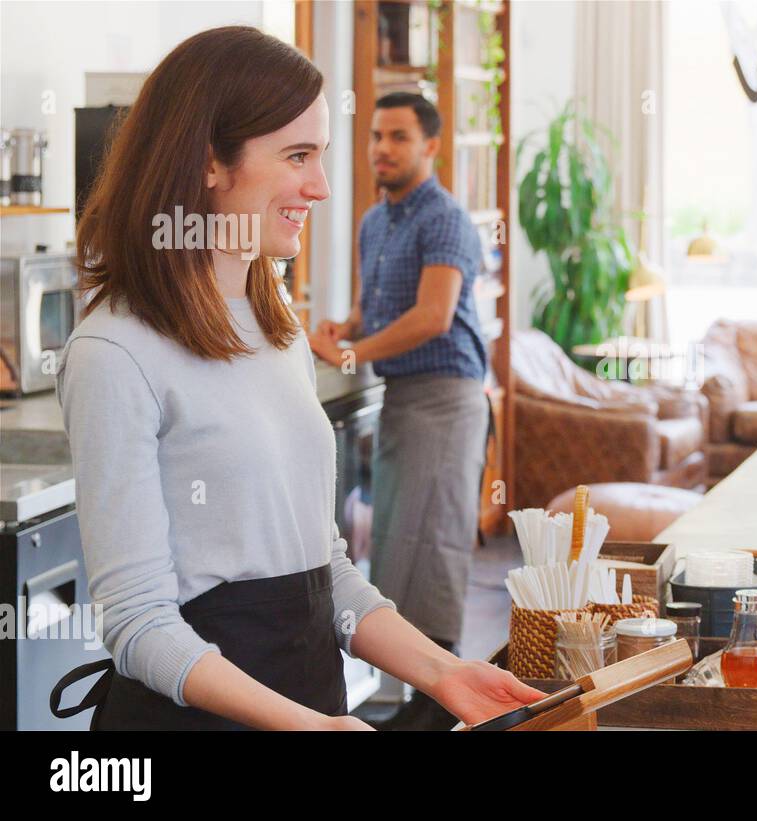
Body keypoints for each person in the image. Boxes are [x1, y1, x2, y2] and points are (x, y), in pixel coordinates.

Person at [50, 26, 543, 731]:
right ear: (209, 163)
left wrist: (445, 672)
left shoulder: (274, 321)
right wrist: (309, 726)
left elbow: (326, 568)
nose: (321, 185)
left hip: (311, 699)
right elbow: (137, 622)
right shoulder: (114, 351)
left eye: (322, 156)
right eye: (297, 156)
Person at [307, 92, 490, 730]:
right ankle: (419, 699)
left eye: (398, 137)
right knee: (395, 546)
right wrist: (342, 328)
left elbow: (432, 317)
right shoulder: (373, 221)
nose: (382, 148)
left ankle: (440, 707)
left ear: (431, 146)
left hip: (445, 397)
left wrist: (353, 351)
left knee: (432, 545)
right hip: (403, 399)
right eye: (375, 135)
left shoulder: (444, 219)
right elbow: (375, 309)